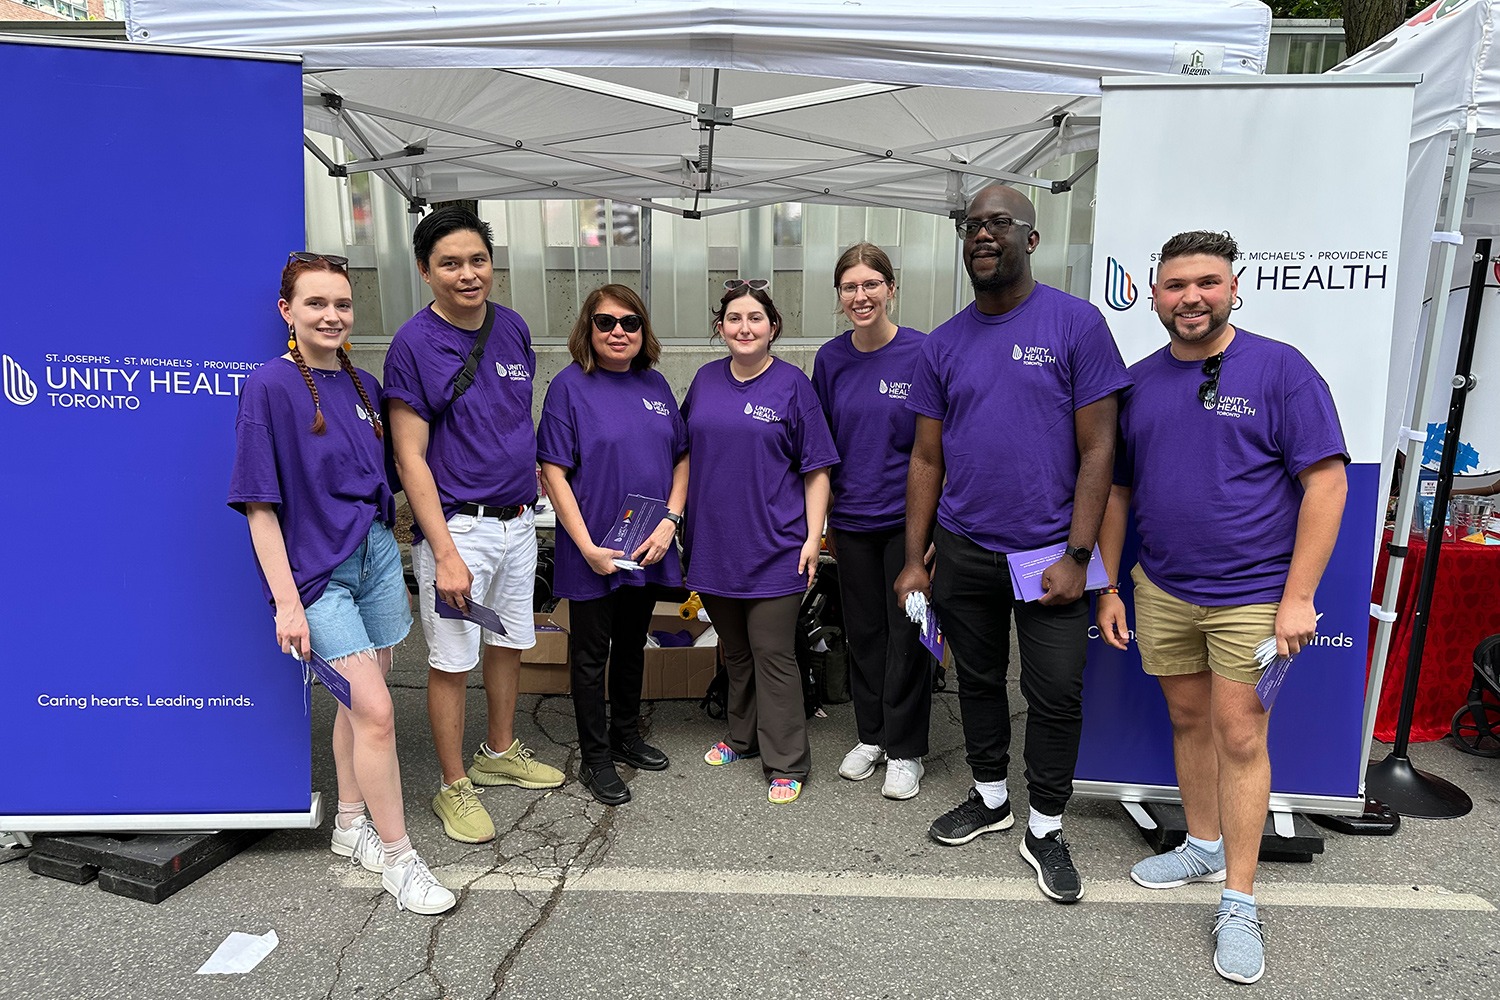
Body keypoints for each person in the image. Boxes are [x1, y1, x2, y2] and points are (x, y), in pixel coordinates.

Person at [1097, 230, 1348, 984]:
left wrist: (1298, 597)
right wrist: (1109, 584)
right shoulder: (1137, 383)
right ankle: (1202, 843)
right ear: (1153, 294)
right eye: (1175, 285)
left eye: (1207, 282)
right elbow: (1118, 491)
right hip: (1165, 590)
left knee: (1240, 736)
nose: (1191, 298)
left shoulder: (1280, 369)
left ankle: (1239, 898)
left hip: (1254, 597)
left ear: (1234, 288)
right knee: (1186, 719)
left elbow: (1327, 484)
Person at [896, 183, 1129, 904]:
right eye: (972, 226)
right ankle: (992, 797)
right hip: (965, 549)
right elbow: (926, 459)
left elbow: (1099, 451)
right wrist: (913, 559)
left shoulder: (1076, 325)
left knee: (1056, 692)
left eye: (999, 223)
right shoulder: (943, 344)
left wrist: (1079, 556)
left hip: (1051, 555)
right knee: (976, 679)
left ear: (1032, 239)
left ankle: (1046, 825)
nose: (983, 236)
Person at [229, 252, 455, 915]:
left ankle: (350, 825)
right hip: (317, 576)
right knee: (379, 712)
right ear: (286, 311)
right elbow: (259, 506)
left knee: (363, 707)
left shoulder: (362, 383)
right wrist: (287, 603)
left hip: (376, 560)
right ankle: (399, 857)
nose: (332, 315)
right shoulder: (268, 386)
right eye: (317, 303)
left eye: (342, 304)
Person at [384, 207, 563, 846]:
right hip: (459, 529)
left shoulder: (511, 327)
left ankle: (498, 750)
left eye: (477, 260)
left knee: (510, 641)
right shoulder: (413, 344)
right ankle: (454, 783)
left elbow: (513, 418)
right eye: (451, 264)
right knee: (453, 658)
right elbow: (410, 456)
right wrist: (444, 551)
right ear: (425, 271)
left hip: (517, 523)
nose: (468, 275)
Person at [684, 279, 839, 805]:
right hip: (713, 546)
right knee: (736, 652)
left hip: (776, 546)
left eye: (755, 318)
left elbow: (817, 470)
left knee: (773, 652)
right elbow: (684, 455)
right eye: (733, 319)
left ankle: (787, 761)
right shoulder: (704, 381)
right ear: (720, 327)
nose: (744, 327)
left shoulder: (793, 386)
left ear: (773, 327)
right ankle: (740, 737)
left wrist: (813, 539)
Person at [537, 284, 688, 806]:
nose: (618, 331)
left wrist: (671, 521)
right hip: (593, 549)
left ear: (643, 330)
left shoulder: (657, 386)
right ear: (588, 328)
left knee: (631, 644)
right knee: (588, 654)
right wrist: (585, 546)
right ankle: (596, 757)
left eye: (629, 322)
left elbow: (682, 457)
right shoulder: (569, 387)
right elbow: (553, 471)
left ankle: (626, 735)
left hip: (646, 544)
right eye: (605, 322)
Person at [811, 243, 931, 801]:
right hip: (853, 520)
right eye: (849, 287)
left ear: (891, 288)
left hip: (909, 525)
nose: (860, 296)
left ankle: (907, 750)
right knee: (864, 633)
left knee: (908, 634)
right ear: (840, 296)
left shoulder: (924, 354)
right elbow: (821, 447)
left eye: (870, 284)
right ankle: (872, 735)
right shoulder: (831, 360)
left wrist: (932, 533)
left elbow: (941, 449)